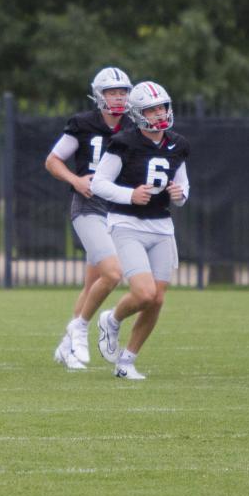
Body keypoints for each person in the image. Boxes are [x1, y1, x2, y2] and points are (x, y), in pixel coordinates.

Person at [91, 81, 190, 380]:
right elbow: (99, 183)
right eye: (151, 109)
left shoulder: (177, 144)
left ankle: (127, 361)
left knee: (157, 299)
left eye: (162, 107)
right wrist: (129, 194)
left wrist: (180, 194)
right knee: (144, 293)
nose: (159, 114)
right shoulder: (124, 142)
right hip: (127, 223)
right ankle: (112, 318)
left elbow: (184, 185)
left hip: (161, 224)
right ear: (137, 114)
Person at [46, 66, 132, 370]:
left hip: (118, 211)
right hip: (88, 207)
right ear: (99, 95)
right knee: (112, 274)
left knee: (93, 282)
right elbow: (53, 160)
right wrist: (75, 180)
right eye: (113, 92)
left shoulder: (133, 126)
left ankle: (67, 346)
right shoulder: (83, 124)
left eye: (123, 91)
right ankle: (78, 331)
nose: (119, 97)